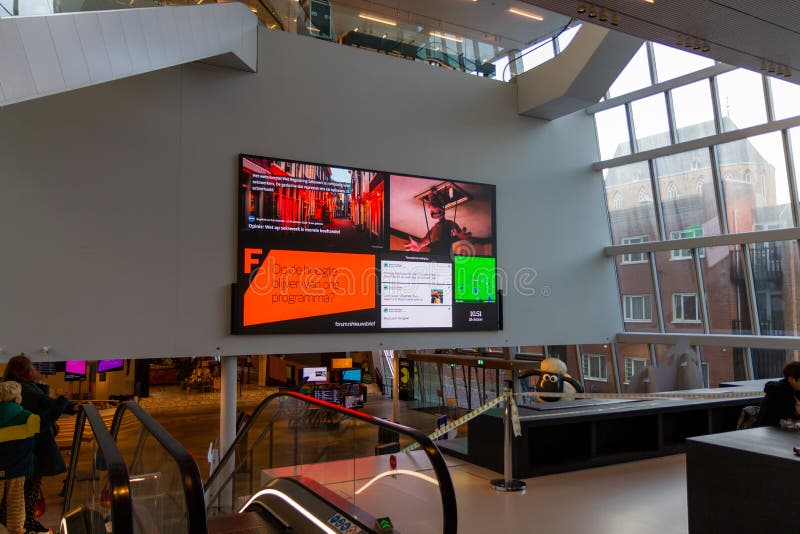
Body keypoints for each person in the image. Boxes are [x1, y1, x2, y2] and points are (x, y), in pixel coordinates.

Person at [2, 355, 77, 534]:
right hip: (28, 458)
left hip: (6, 460)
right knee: (21, 501)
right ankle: (27, 528)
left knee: (9, 500)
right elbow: (43, 420)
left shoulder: (4, 393)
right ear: (28, 372)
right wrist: (64, 403)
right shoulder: (27, 393)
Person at [404, 202, 471, 255]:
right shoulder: (447, 224)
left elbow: (428, 239)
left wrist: (420, 244)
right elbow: (446, 241)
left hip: (436, 244)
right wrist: (459, 236)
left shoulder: (435, 235)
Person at [755, 360, 800, 427]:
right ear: (791, 379)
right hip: (771, 431)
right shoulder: (778, 393)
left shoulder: (796, 390)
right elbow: (778, 420)